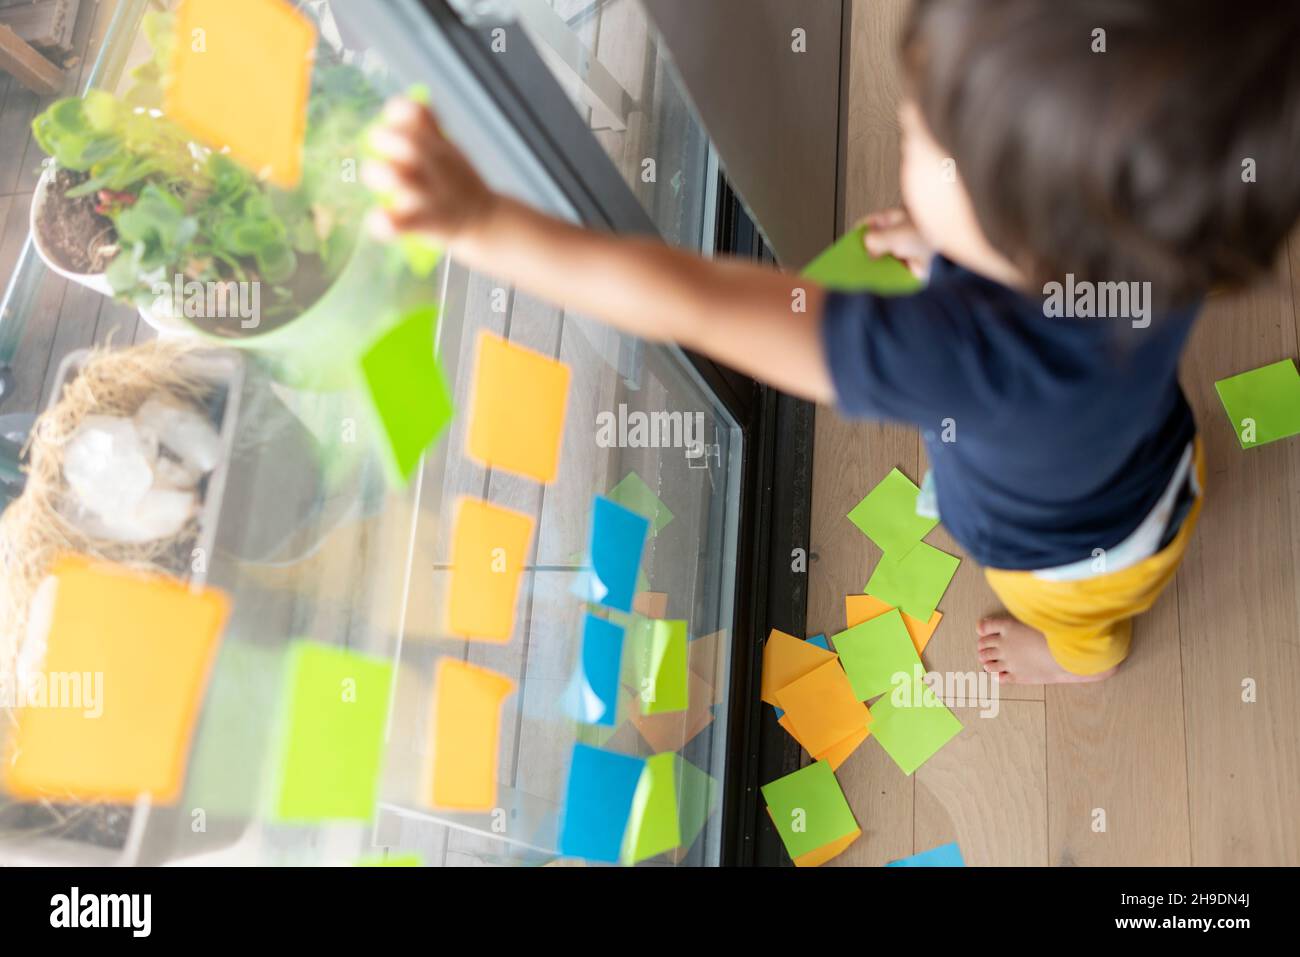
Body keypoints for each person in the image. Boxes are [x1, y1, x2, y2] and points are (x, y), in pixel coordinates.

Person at [362, 0, 1300, 684]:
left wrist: (488, 222)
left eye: (918, 131)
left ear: (1024, 234)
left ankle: (1083, 663)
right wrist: (947, 246)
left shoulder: (959, 357)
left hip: (1076, 568)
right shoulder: (1177, 231)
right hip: (1151, 451)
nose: (904, 124)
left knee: (1084, 632)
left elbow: (694, 299)